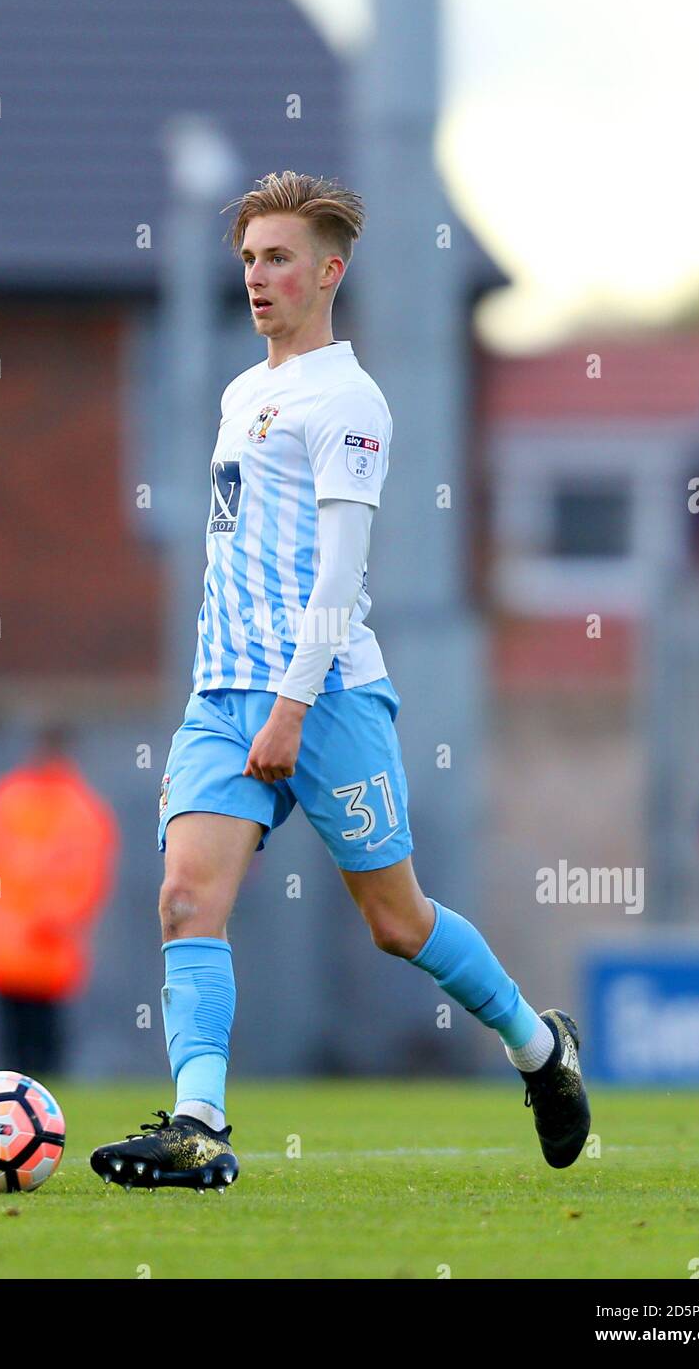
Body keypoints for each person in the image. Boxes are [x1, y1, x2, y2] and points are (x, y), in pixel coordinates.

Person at [90, 171, 589, 1193]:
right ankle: (197, 1123)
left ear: (329, 270)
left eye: (276, 258)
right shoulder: (241, 392)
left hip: (325, 697)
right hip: (222, 694)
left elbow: (338, 571)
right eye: (245, 260)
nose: (257, 278)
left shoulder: (349, 398)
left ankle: (537, 1049)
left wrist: (292, 702)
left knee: (395, 920)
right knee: (186, 898)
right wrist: (232, 691)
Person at [0, 723, 118, 1078]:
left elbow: (86, 874)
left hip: (44, 943)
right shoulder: (13, 801)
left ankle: (28, 1107)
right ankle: (20, 1107)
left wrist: (50, 916)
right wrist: (11, 914)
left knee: (40, 1036)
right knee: (15, 1037)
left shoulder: (74, 808)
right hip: (13, 942)